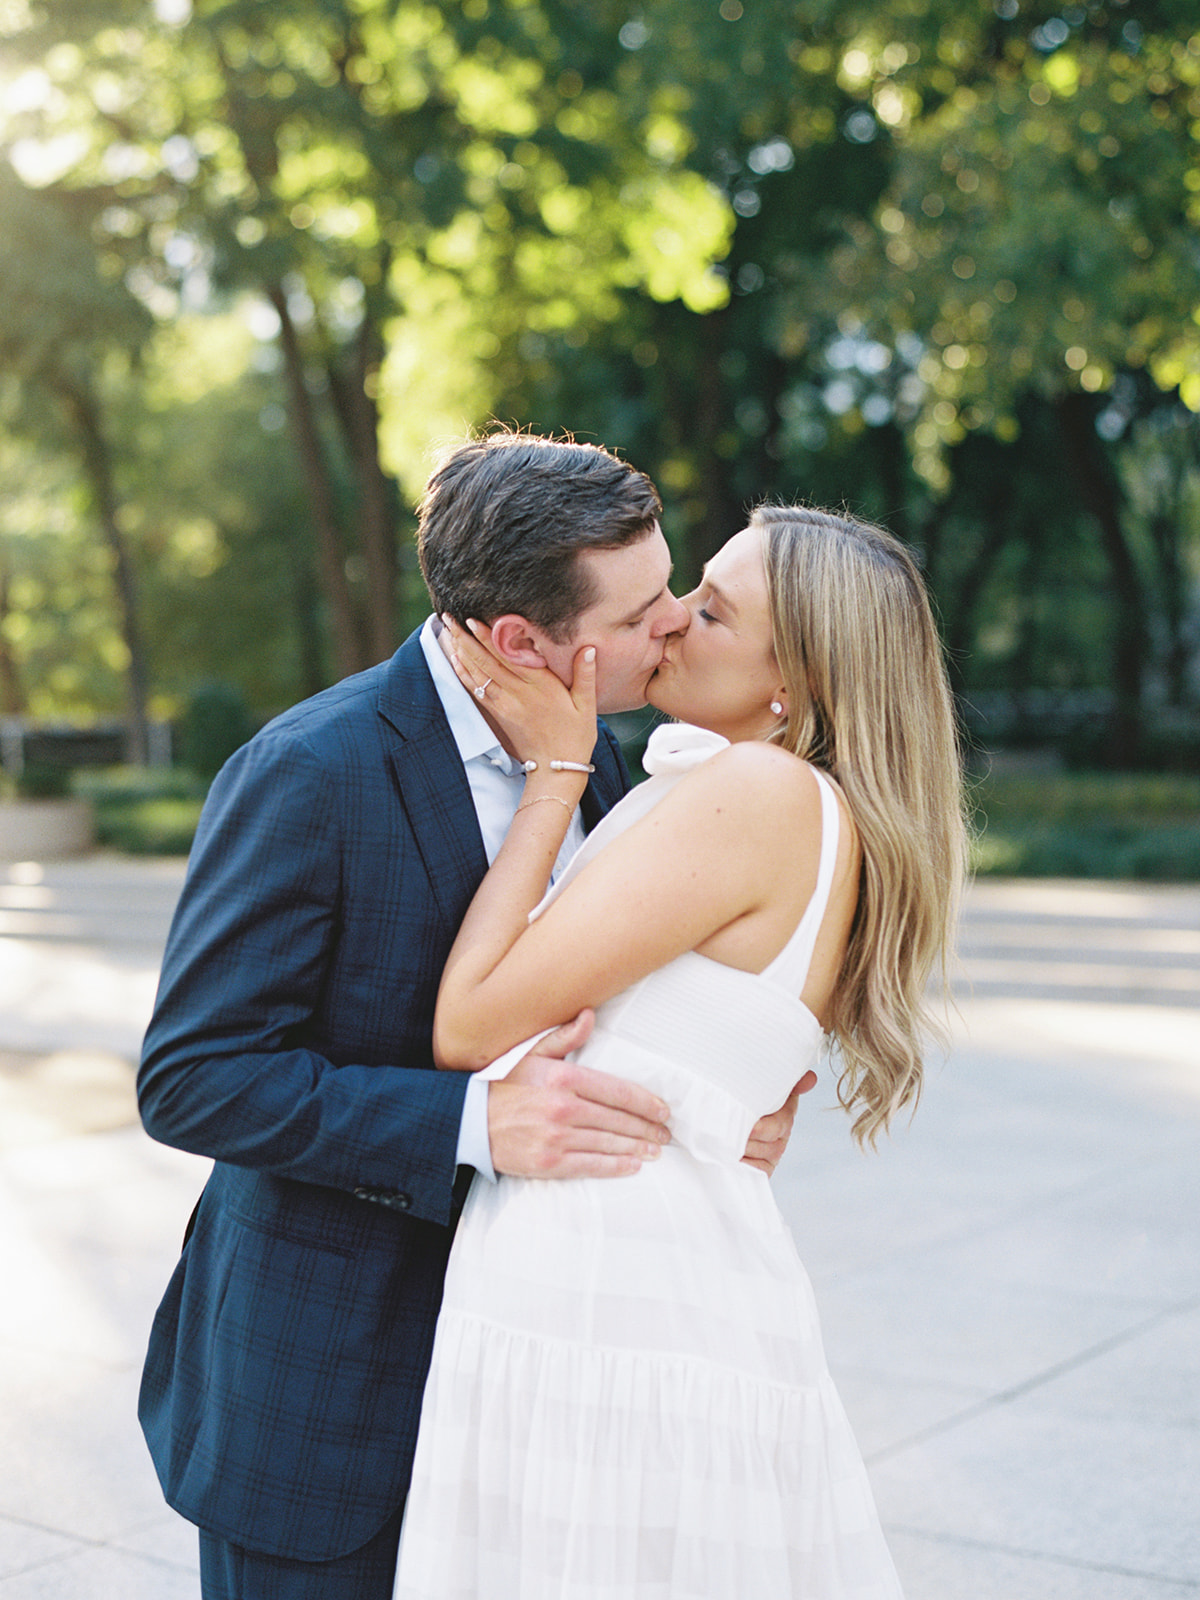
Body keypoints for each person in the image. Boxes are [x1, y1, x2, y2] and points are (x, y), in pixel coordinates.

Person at [136, 430, 806, 1600]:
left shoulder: (610, 756)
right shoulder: (308, 770)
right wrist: (469, 1123)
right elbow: (194, 1076)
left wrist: (732, 1099)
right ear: (520, 641)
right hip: (322, 1396)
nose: (671, 623)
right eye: (642, 607)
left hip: (533, 1400)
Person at [390, 503, 969, 1599]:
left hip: (607, 1284)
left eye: (710, 610)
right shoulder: (776, 799)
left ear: (788, 683)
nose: (668, 622)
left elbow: (469, 1023)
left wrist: (558, 779)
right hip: (651, 1269)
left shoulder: (757, 794)